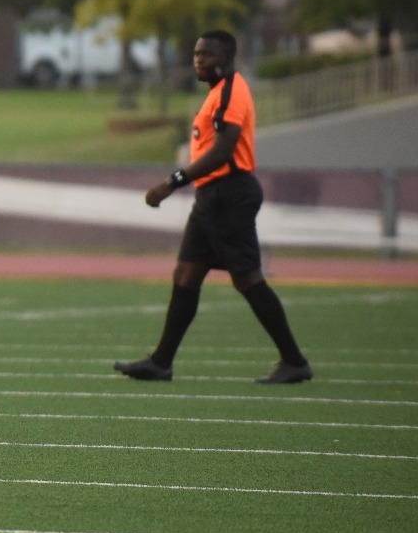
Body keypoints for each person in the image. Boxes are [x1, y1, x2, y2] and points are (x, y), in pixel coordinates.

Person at [114, 29, 312, 386]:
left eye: (207, 54)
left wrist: (172, 182)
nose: (199, 60)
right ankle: (161, 362)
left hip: (229, 193)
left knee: (247, 278)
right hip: (212, 197)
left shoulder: (232, 91)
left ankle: (294, 361)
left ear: (227, 58)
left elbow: (223, 150)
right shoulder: (218, 92)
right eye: (196, 54)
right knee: (186, 274)